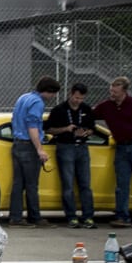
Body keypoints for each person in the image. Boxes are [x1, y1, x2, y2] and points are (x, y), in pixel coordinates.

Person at [91, 76, 132, 227]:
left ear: (124, 91)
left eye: (115, 91)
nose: (112, 94)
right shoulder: (106, 106)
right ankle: (122, 216)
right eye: (111, 90)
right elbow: (91, 115)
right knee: (122, 183)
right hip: (121, 146)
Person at [8, 75, 60, 227]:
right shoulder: (37, 102)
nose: (53, 96)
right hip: (28, 146)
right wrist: (40, 149)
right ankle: (35, 216)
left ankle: (15, 217)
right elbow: (33, 127)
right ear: (48, 91)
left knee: (18, 184)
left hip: (17, 143)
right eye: (53, 93)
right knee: (31, 184)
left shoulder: (24, 98)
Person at [44, 82, 97, 229]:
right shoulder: (59, 110)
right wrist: (66, 129)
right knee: (68, 184)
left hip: (82, 147)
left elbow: (93, 128)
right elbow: (48, 129)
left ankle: (88, 217)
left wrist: (87, 132)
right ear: (70, 94)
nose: (78, 101)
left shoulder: (86, 109)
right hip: (65, 147)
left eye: (81, 98)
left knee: (85, 184)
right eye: (76, 97)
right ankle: (71, 216)